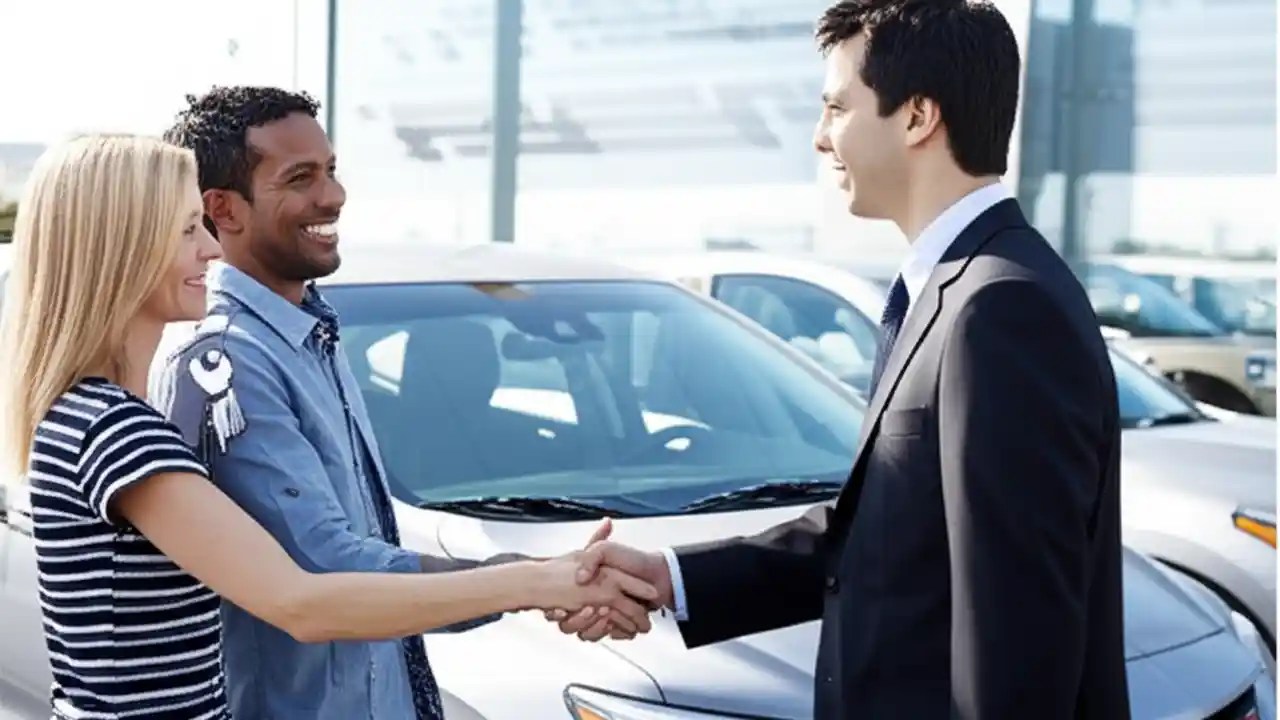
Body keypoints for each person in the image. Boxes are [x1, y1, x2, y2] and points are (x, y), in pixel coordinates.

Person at [555, 1, 1131, 717]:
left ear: (918, 116)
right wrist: (669, 577)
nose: (821, 137)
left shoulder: (1000, 308)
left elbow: (1018, 627)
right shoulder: (953, 289)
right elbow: (876, 540)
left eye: (836, 108)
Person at [0, 134, 658, 720]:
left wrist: (528, 576)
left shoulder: (93, 414)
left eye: (202, 224)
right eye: (183, 231)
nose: (208, 246)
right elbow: (300, 603)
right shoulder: (115, 429)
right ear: (119, 248)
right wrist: (535, 582)